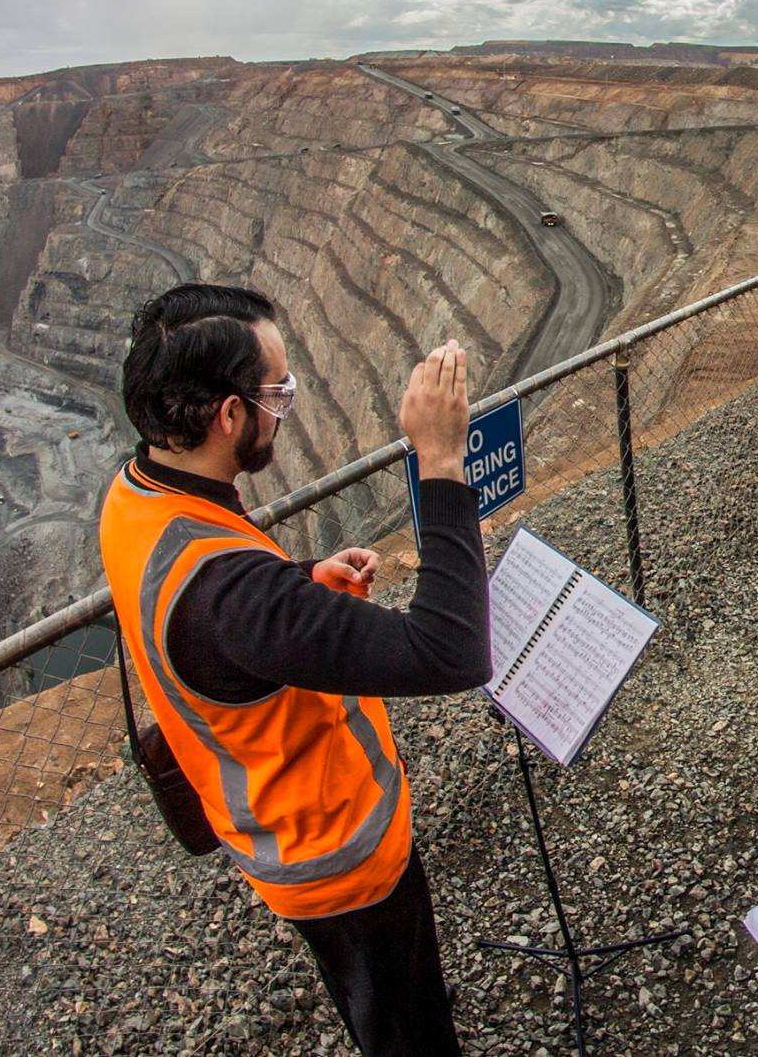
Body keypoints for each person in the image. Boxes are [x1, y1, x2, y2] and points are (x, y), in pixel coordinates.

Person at [102, 284, 487, 1056]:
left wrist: (301, 583)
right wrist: (440, 462)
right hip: (340, 857)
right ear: (230, 417)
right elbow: (452, 652)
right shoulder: (234, 596)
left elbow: (226, 618)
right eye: (277, 391)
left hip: (283, 839)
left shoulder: (139, 494)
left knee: (381, 1007)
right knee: (408, 1031)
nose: (287, 406)